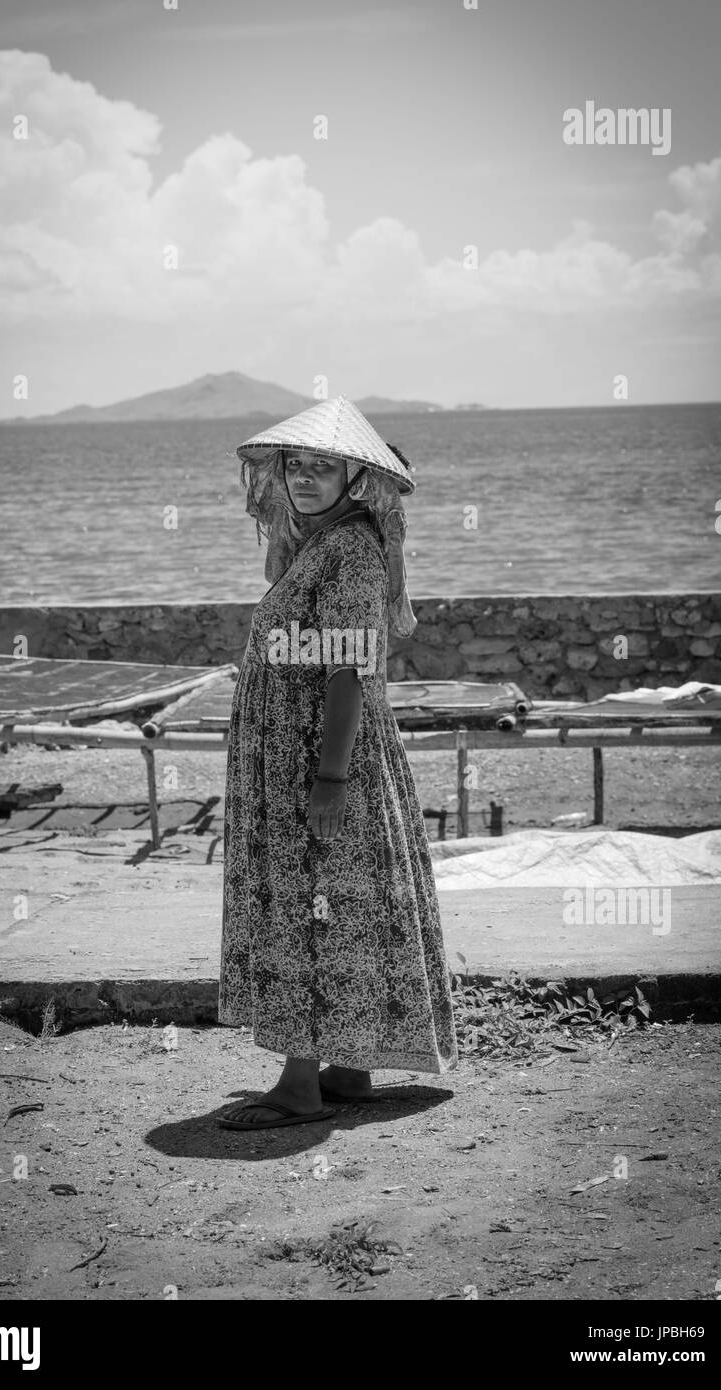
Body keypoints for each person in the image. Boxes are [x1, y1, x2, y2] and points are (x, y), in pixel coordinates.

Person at [218, 395, 457, 1131]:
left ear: (356, 476)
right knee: (340, 899)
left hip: (317, 757)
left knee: (307, 904)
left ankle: (298, 1085)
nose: (305, 478)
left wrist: (329, 776)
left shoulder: (348, 550)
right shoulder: (330, 545)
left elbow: (348, 672)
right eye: (297, 465)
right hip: (304, 751)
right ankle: (349, 1067)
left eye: (324, 466)